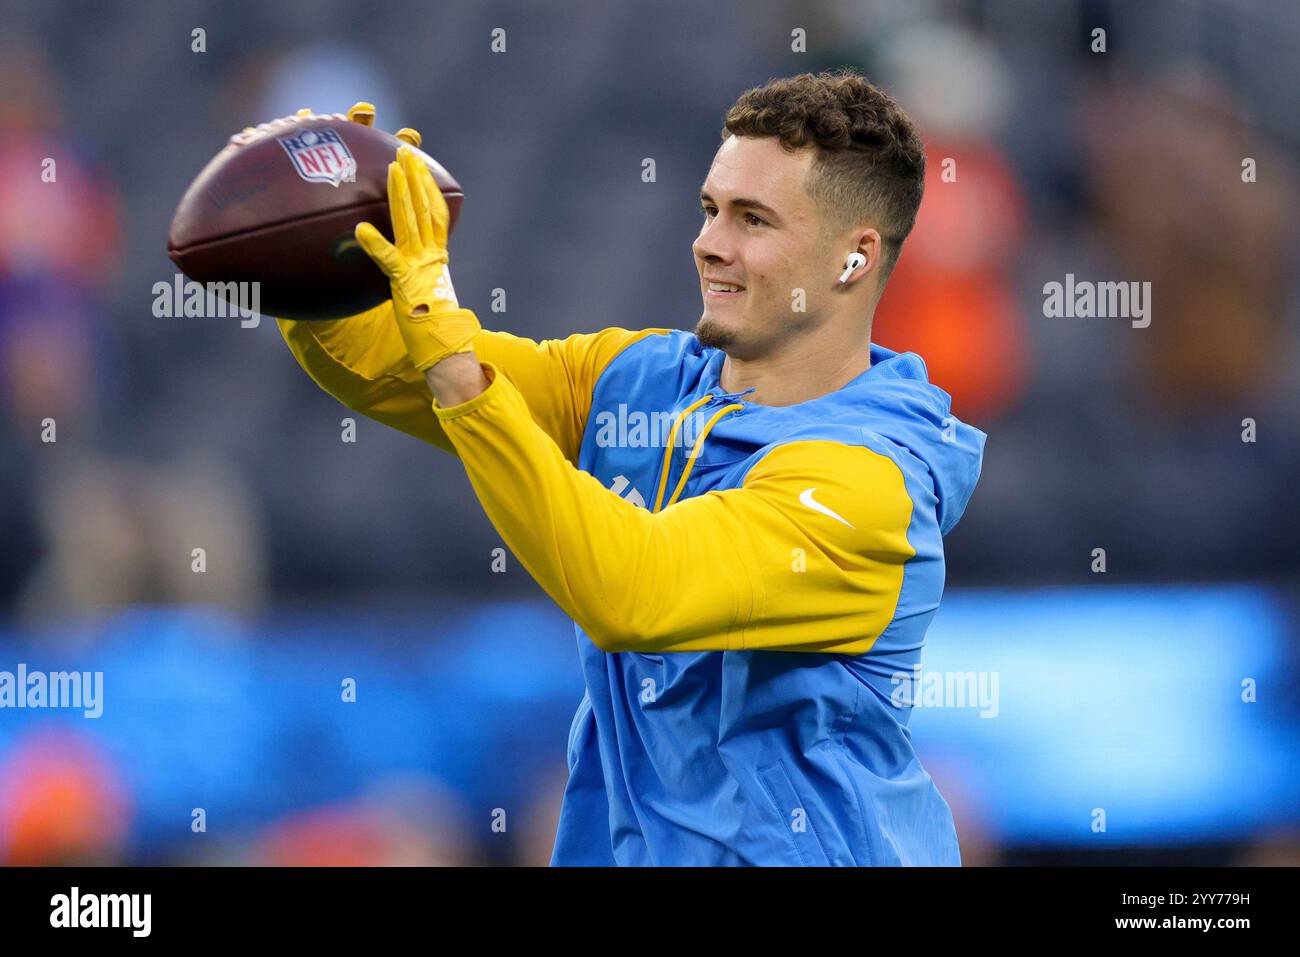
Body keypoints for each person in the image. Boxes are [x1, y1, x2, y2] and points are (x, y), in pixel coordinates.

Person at [276, 70, 986, 866]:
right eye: (710, 208)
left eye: (753, 219)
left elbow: (635, 590)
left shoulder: (866, 486)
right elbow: (386, 364)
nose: (711, 242)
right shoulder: (635, 381)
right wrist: (316, 248)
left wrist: (445, 347)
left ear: (854, 259)